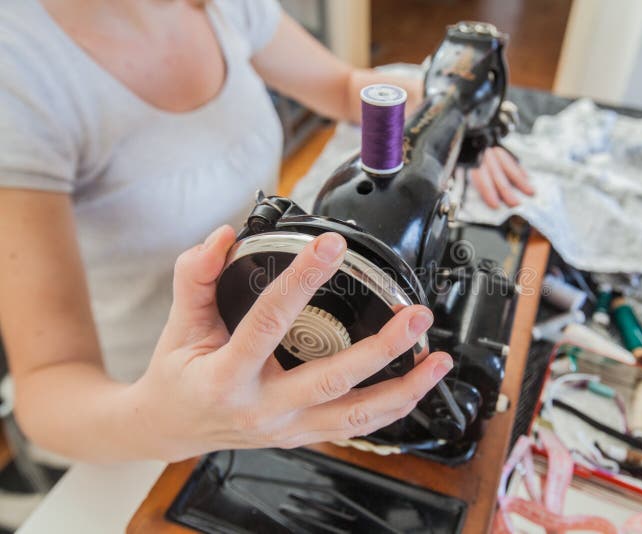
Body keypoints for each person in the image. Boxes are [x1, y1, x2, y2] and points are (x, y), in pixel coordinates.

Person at [0, 0, 533, 462]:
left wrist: (448, 113)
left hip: (296, 352)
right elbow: (46, 390)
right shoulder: (19, 73)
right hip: (138, 423)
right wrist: (165, 423)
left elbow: (345, 88)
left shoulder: (222, 6)